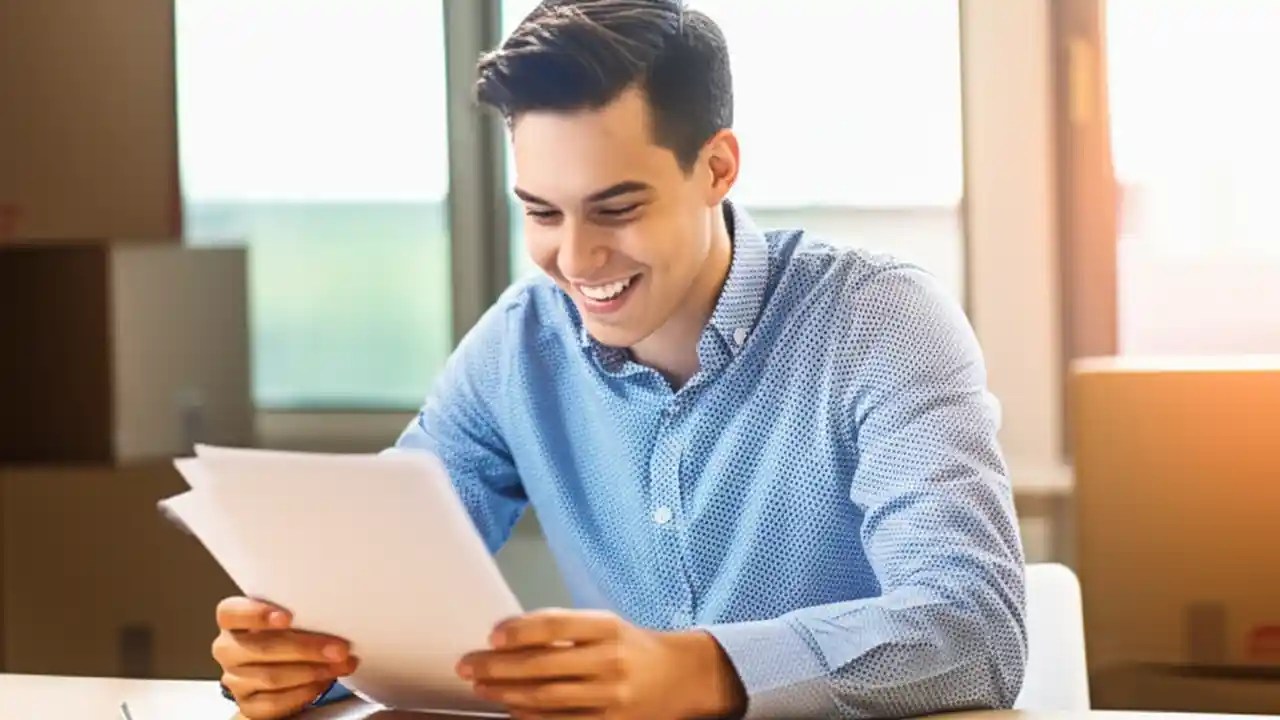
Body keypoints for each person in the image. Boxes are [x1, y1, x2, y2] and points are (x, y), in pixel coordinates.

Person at [210, 1, 1028, 718]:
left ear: (716, 168)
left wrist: (695, 671)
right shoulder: (517, 347)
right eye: (542, 213)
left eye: (617, 209)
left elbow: (976, 626)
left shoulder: (878, 321)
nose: (575, 260)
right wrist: (302, 657)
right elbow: (379, 569)